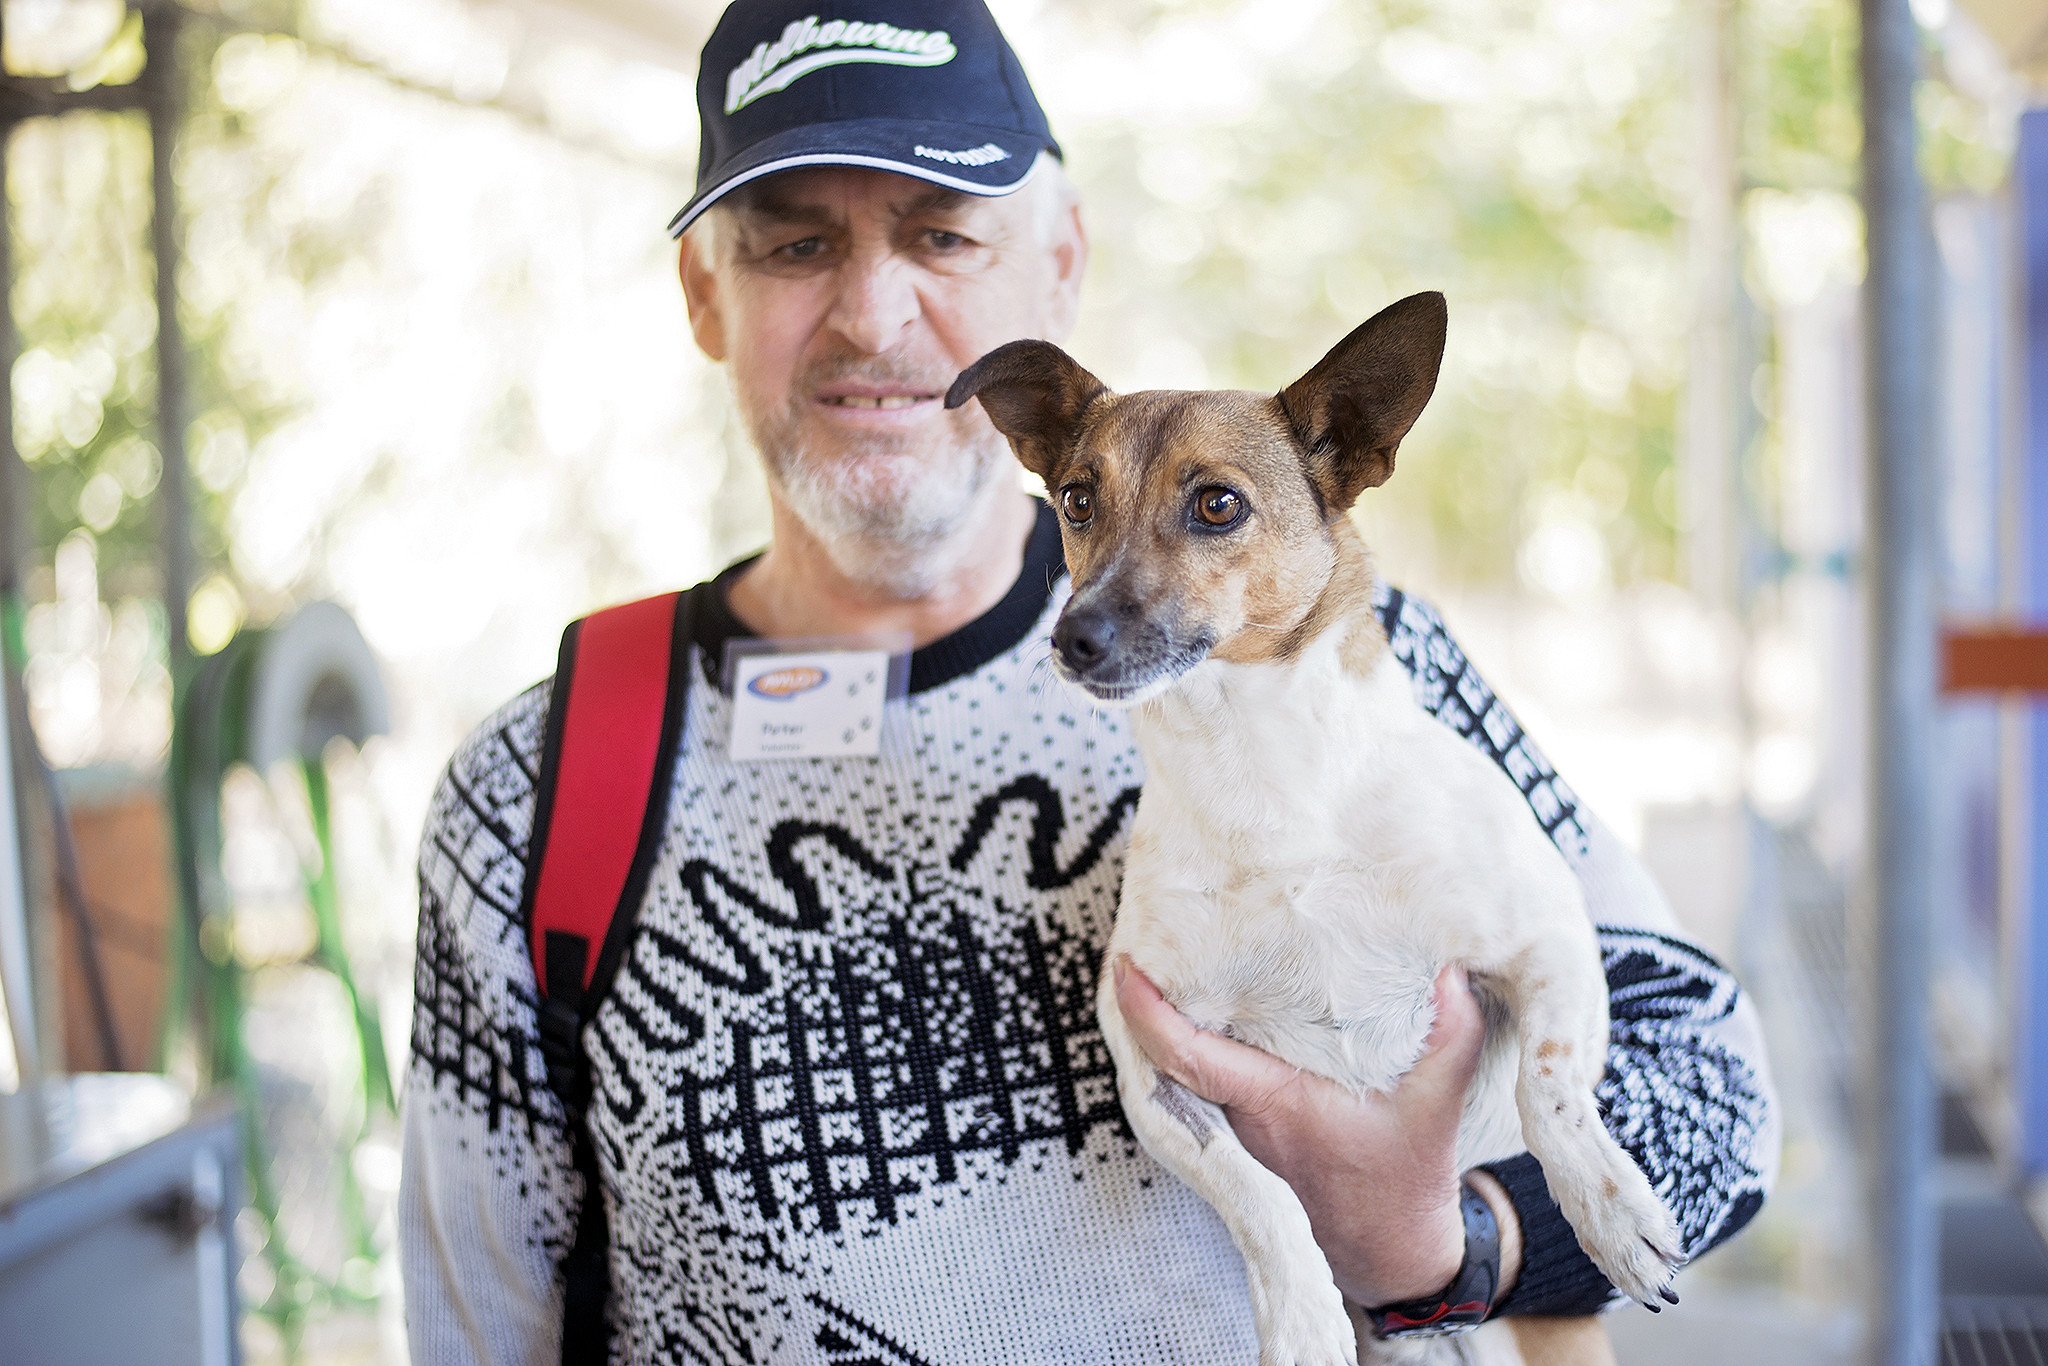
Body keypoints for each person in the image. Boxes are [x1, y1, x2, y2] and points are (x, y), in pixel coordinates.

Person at [399, 3, 1778, 1362]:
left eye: (944, 233)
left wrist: (1446, 1245)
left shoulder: (1352, 664)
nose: (873, 313)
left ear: (1059, 264)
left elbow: (1716, 1087)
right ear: (705, 294)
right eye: (794, 243)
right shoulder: (538, 790)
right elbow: (475, 1327)